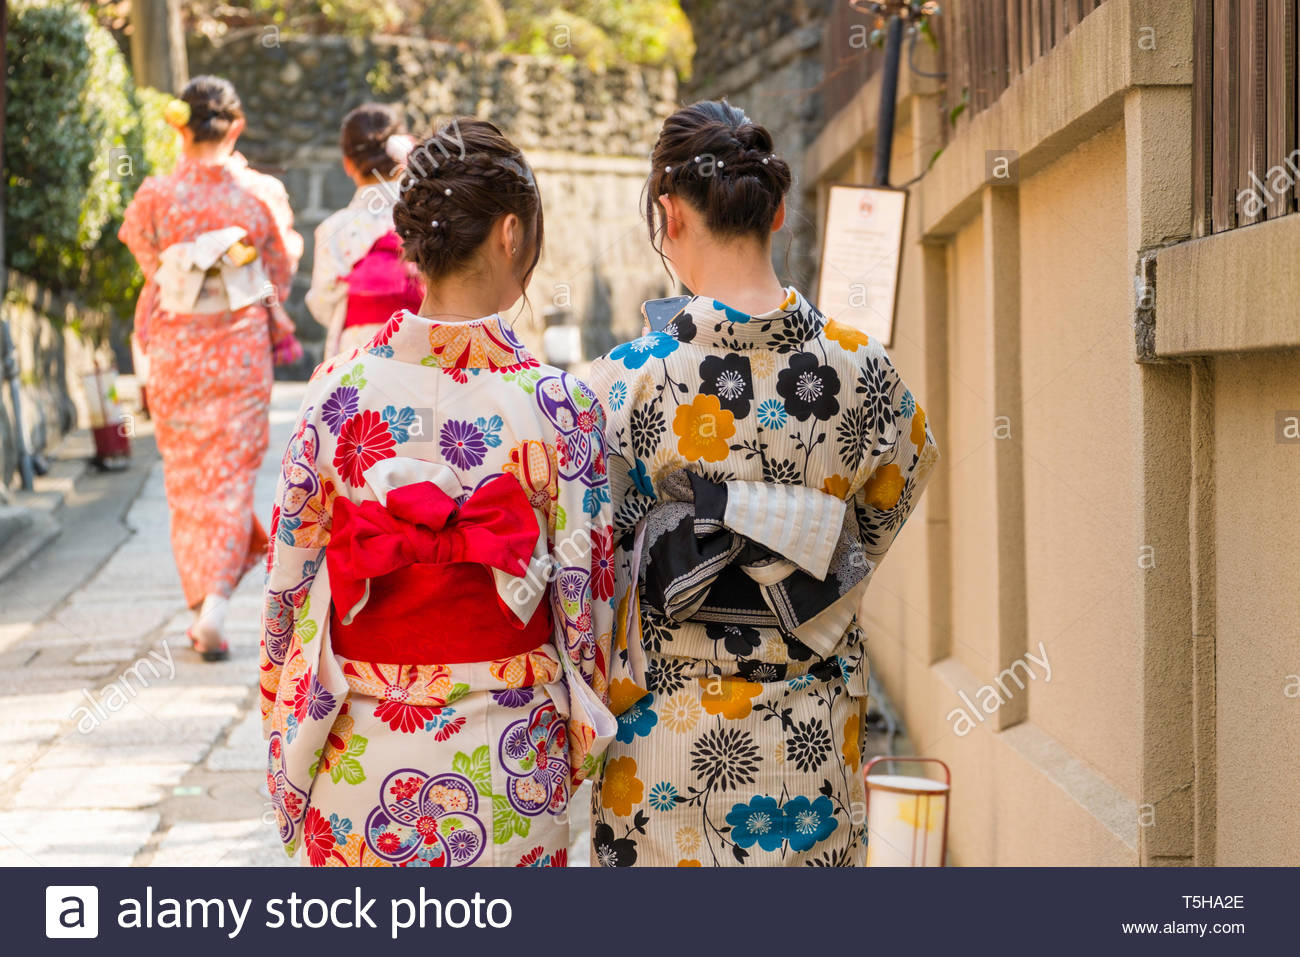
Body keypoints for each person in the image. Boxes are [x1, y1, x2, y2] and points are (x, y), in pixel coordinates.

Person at [586, 100, 939, 866]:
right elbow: (886, 509)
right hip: (809, 728)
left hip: (665, 742)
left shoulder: (624, 381)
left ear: (670, 215)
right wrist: (806, 556)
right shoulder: (863, 368)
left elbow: (591, 560)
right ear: (777, 211)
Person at [260, 118, 616, 867]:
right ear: (512, 233)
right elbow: (584, 601)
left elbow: (287, 591)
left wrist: (285, 733)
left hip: (358, 755)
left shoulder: (334, 395)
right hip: (511, 757)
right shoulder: (561, 406)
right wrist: (582, 732)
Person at [120, 75, 302, 661]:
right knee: (231, 475)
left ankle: (206, 606)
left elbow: (148, 261)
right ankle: (215, 606)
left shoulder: (155, 194)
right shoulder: (260, 194)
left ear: (179, 126)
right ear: (236, 126)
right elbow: (280, 267)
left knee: (187, 480)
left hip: (177, 349)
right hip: (239, 350)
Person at [305, 103, 423, 358]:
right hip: (421, 344)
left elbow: (322, 303)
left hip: (359, 351)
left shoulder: (334, 229)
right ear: (403, 158)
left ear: (348, 164)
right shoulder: (425, 219)